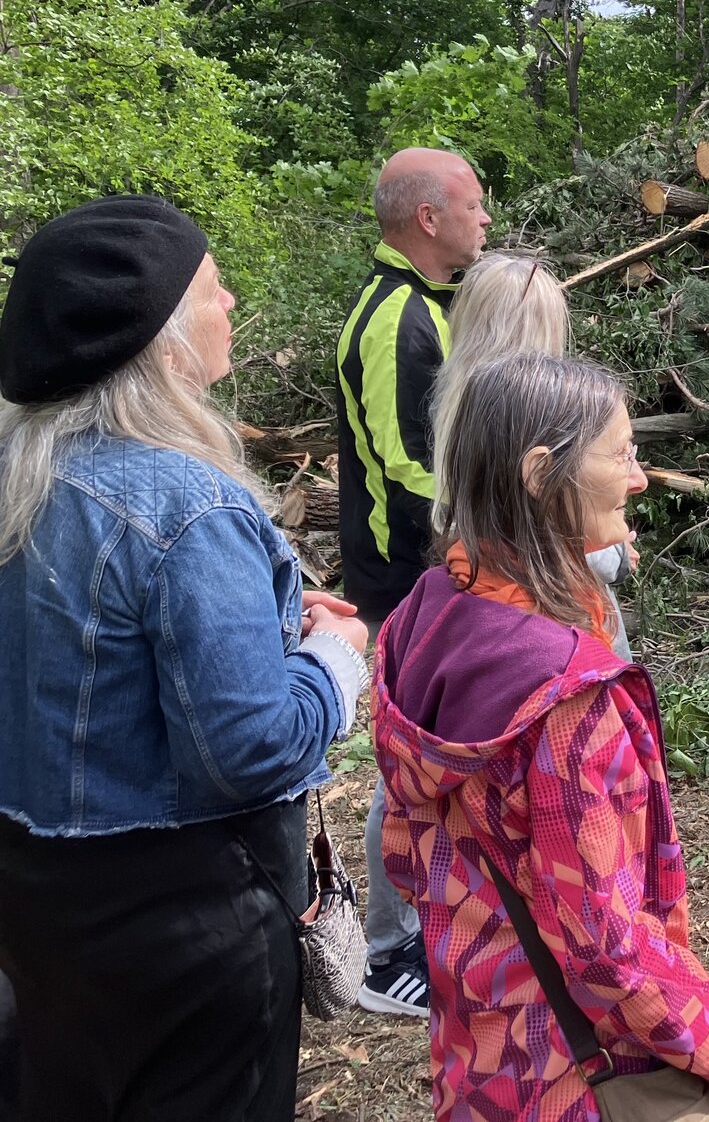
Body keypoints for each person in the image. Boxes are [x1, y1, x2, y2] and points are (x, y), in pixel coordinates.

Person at [0, 196, 370, 1122]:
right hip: (186, 925)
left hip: (36, 910)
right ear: (159, 337)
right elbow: (249, 749)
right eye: (213, 287)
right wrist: (332, 658)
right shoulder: (188, 502)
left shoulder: (22, 476)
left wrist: (260, 632)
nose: (234, 301)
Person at [375, 352, 709, 1119]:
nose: (640, 477)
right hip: (571, 1078)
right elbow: (601, 942)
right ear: (541, 471)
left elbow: (410, 852)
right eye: (621, 454)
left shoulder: (428, 612)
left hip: (477, 1046)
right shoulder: (566, 699)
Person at [338, 147, 490, 1017]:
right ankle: (386, 953)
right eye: (472, 206)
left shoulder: (433, 307)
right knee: (411, 761)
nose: (486, 220)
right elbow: (409, 472)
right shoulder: (396, 318)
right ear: (427, 218)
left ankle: (430, 924)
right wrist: (502, 526)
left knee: (443, 754)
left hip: (434, 569)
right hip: (406, 577)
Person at [434, 252, 637, 659]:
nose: (637, 478)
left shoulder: (456, 398)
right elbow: (526, 548)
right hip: (554, 613)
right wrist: (610, 555)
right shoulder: (534, 410)